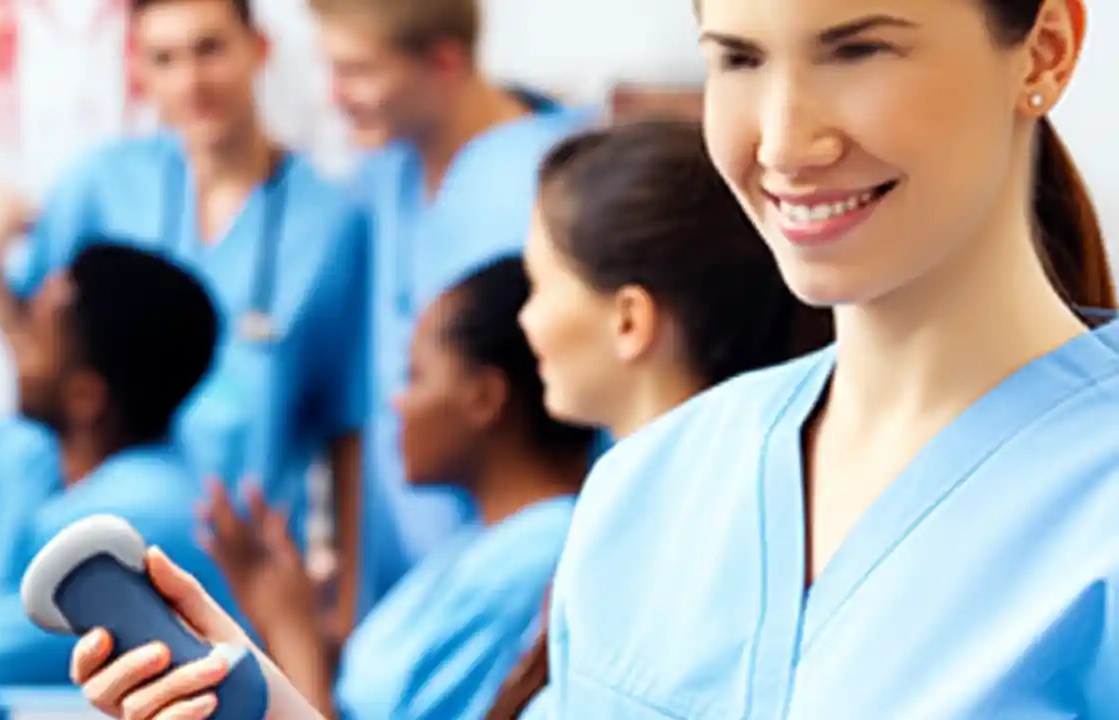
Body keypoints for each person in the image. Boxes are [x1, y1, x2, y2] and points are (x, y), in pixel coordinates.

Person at [538, 0, 1119, 716]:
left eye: (859, 52)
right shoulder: (644, 488)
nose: (784, 144)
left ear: (1046, 52)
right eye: (739, 59)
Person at [0, 0, 368, 636]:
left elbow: (348, 427)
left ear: (257, 49)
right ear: (138, 71)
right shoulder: (102, 184)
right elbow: (37, 351)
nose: (190, 82)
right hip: (98, 551)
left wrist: (342, 610)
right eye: (164, 59)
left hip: (236, 584)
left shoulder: (329, 223)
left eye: (210, 49)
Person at [74, 256, 597, 719]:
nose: (397, 404)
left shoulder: (535, 560)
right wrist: (283, 612)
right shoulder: (477, 547)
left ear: (484, 398)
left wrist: (291, 629)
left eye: (415, 376)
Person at [487, 118, 832, 718]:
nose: (526, 321)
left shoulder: (657, 554)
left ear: (629, 320)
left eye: (540, 286)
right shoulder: (682, 512)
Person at [0, 244, 246, 719]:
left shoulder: (133, 525)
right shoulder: (34, 458)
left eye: (35, 329)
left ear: (85, 396)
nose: (14, 341)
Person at [307, 0, 596, 614]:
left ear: (444, 61)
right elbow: (362, 406)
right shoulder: (383, 177)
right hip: (404, 585)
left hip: (516, 581)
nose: (337, 96)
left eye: (358, 71)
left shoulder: (549, 184)